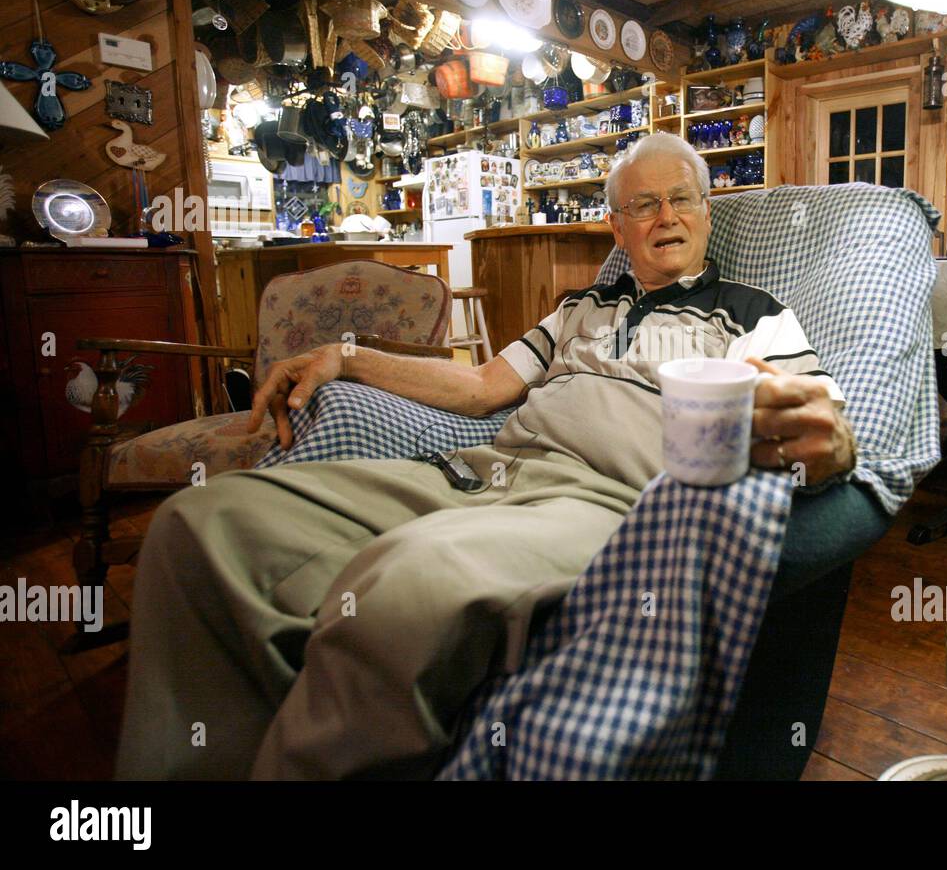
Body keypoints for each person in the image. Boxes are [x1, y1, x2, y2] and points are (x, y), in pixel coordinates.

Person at [114, 133, 857, 779]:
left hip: (596, 502)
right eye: (643, 205)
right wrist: (347, 356)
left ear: (704, 208)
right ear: (615, 227)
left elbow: (813, 424)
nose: (667, 217)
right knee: (201, 525)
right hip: (476, 471)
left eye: (682, 199)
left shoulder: (752, 313)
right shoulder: (577, 309)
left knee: (409, 589)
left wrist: (835, 447)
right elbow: (478, 386)